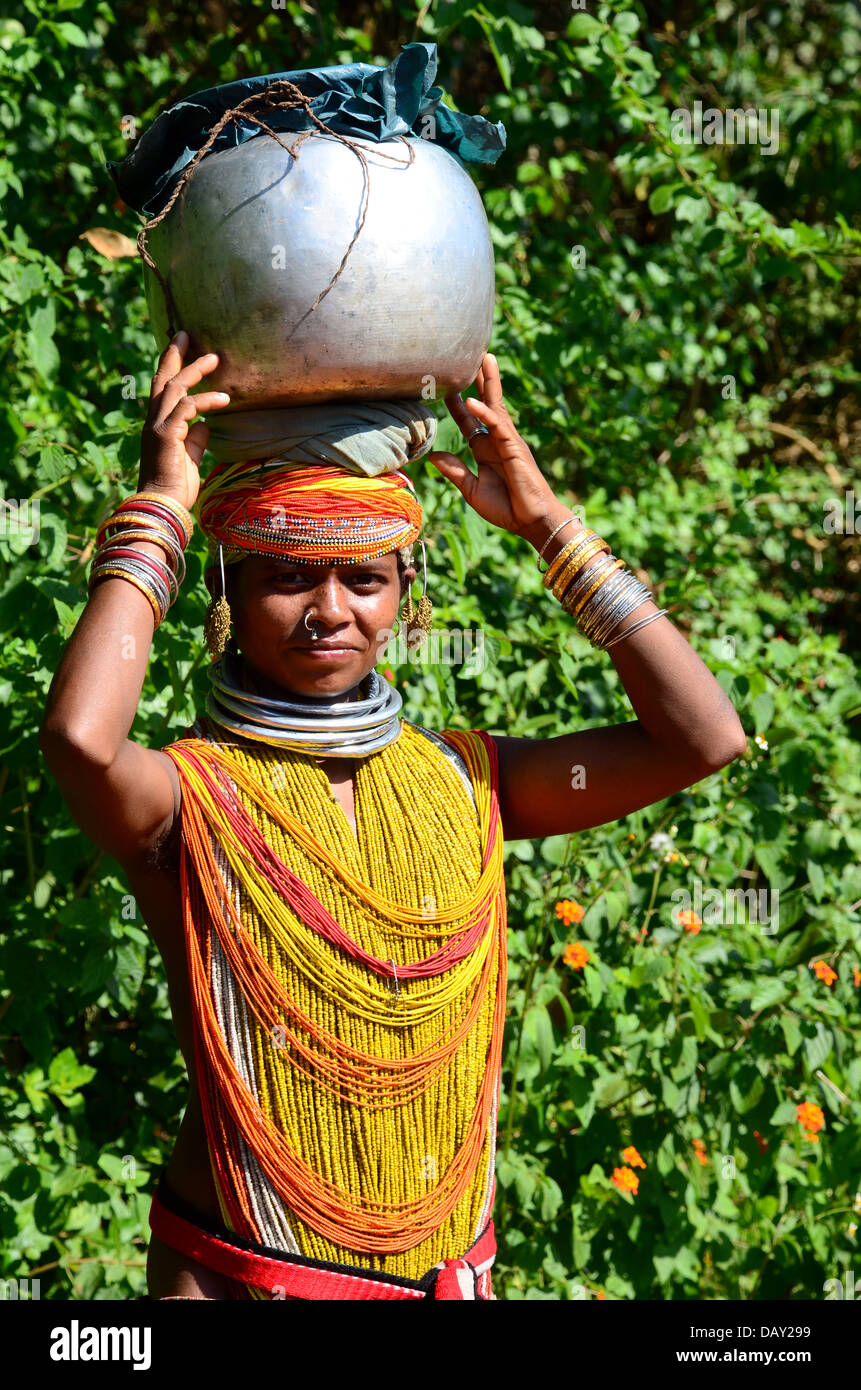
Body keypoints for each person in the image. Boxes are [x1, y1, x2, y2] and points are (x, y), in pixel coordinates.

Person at [38, 332, 747, 1301]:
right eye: (287, 575)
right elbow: (80, 737)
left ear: (407, 598)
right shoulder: (187, 799)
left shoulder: (467, 783)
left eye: (364, 578)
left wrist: (548, 526)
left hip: (446, 1276)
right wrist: (163, 506)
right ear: (227, 593)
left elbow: (701, 737)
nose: (330, 609)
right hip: (245, 1275)